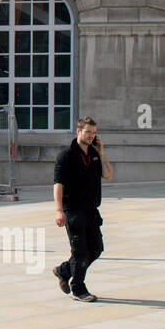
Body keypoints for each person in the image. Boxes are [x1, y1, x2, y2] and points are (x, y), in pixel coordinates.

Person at [52, 116, 113, 302]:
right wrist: (59, 210)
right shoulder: (66, 155)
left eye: (94, 133)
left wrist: (101, 152)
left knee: (96, 248)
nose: (91, 136)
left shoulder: (94, 155)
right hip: (73, 210)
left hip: (91, 210)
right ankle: (78, 288)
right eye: (87, 132)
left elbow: (108, 174)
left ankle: (64, 270)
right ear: (78, 131)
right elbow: (58, 184)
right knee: (80, 252)